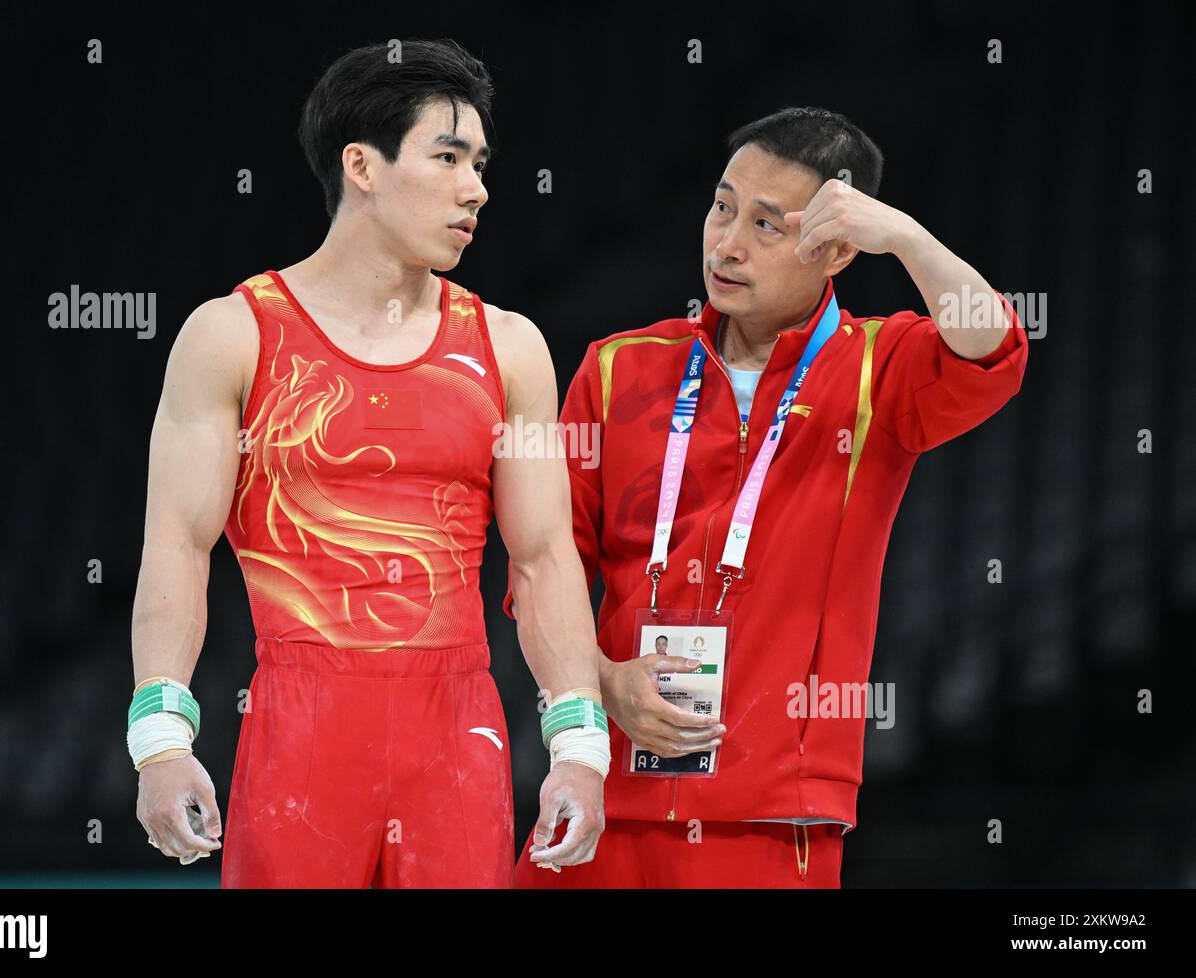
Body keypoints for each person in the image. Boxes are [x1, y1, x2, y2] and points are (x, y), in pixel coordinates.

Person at [506, 107, 1029, 888]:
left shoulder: (878, 370)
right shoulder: (617, 369)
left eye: (766, 225)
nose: (728, 243)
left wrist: (907, 237)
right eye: (721, 207)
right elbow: (543, 569)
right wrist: (603, 683)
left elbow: (992, 349)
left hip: (771, 818)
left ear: (838, 248)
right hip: (604, 792)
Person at [128, 38, 608, 888]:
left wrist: (579, 747)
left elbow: (542, 560)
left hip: (457, 732)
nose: (478, 189)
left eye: (482, 164)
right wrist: (161, 742)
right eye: (449, 156)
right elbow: (176, 546)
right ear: (362, 165)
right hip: (300, 729)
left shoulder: (511, 349)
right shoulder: (232, 336)